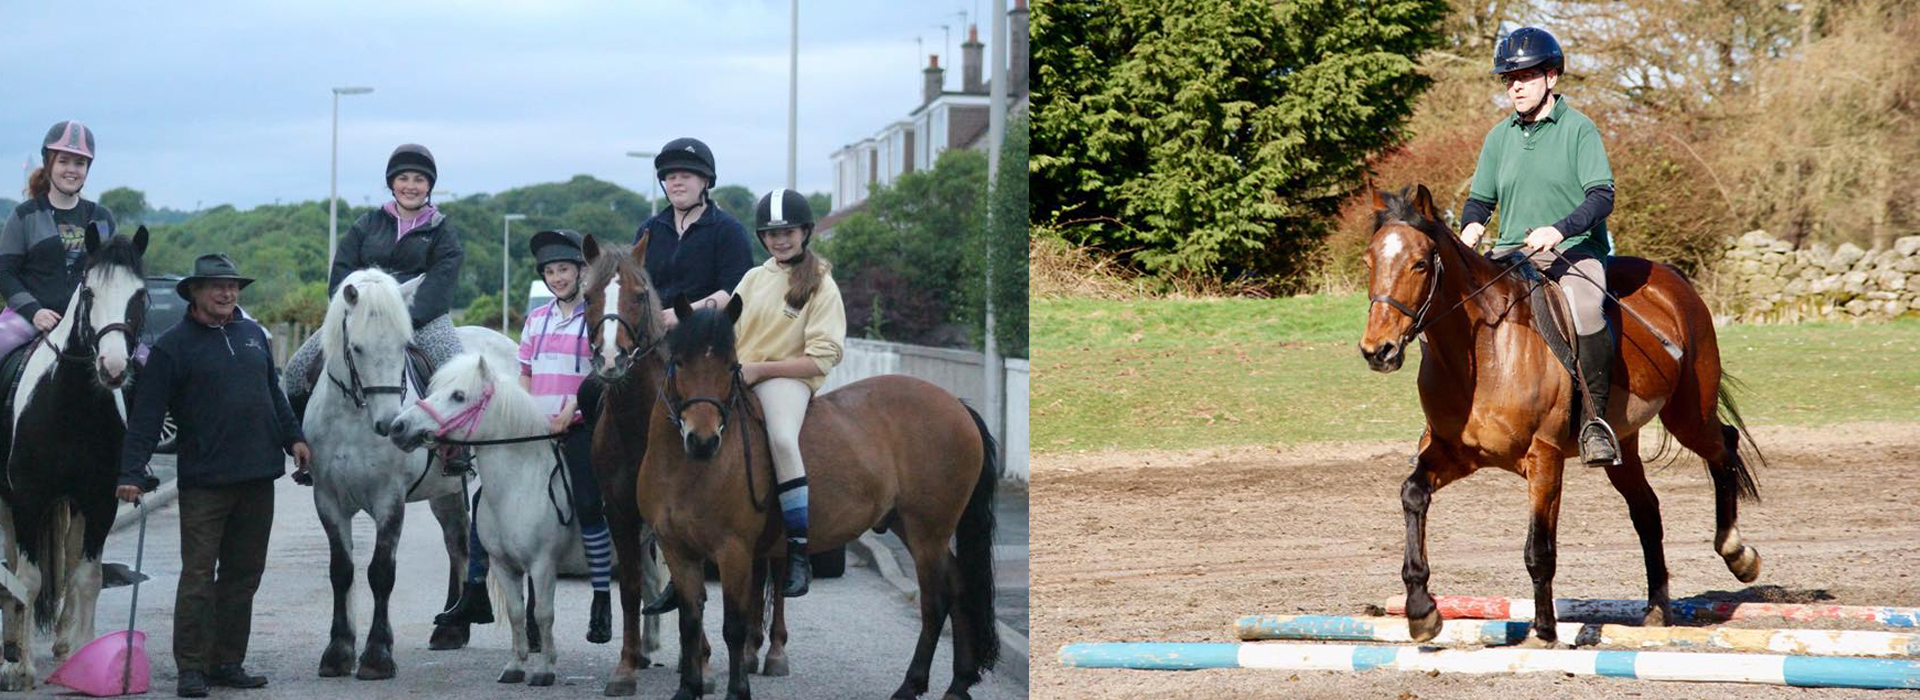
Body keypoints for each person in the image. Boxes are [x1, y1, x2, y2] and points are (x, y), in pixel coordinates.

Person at [118, 254, 311, 698]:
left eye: (233, 286)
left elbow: (272, 393)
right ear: (195, 292)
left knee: (244, 574)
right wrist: (130, 471)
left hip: (258, 475)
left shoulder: (251, 336)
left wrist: (294, 438)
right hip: (205, 480)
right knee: (199, 575)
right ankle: (191, 667)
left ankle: (226, 661)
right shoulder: (172, 346)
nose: (227, 293)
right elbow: (146, 417)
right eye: (217, 286)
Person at [646, 189, 845, 613]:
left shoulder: (821, 284)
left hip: (786, 378)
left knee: (783, 441)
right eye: (772, 234)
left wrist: (762, 370)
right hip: (740, 374)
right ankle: (678, 557)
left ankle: (796, 550)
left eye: (788, 232)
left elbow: (822, 357)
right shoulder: (755, 278)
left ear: (805, 232)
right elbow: (724, 323)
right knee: (681, 431)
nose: (780, 241)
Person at [435, 229, 615, 644]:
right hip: (538, 427)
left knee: (589, 500)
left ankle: (602, 595)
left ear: (581, 272)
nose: (557, 278)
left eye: (564, 270)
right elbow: (526, 376)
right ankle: (476, 589)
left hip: (580, 425)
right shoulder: (536, 319)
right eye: (550, 272)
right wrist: (525, 419)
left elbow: (598, 375)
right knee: (485, 500)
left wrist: (573, 412)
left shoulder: (594, 316)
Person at [1456, 26, 1620, 467]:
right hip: (1510, 254)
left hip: (1573, 253)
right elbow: (1480, 199)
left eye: (1525, 77)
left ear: (1551, 77)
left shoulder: (1579, 129)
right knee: (1462, 305)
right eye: (1509, 79)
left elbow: (1602, 196)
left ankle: (1594, 422)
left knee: (1586, 308)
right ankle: (1456, 414)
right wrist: (1471, 226)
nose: (1515, 87)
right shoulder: (1499, 136)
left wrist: (1558, 230)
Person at [281, 144, 468, 471]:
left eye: (420, 180)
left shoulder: (442, 230)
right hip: (362, 317)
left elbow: (441, 282)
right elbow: (341, 272)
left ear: (429, 187)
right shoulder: (367, 224)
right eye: (403, 178)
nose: (411, 185)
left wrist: (401, 319)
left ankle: (456, 451)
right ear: (392, 183)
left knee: (458, 375)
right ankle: (306, 450)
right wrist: (353, 310)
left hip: (418, 317)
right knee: (296, 372)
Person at [0, 120, 117, 359]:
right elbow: (5, 273)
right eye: (63, 161)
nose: (71, 169)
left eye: (79, 163)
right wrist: (34, 311)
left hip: (90, 321)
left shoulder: (103, 219)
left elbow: (112, 275)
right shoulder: (24, 216)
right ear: (49, 164)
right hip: (30, 318)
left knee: (144, 359)